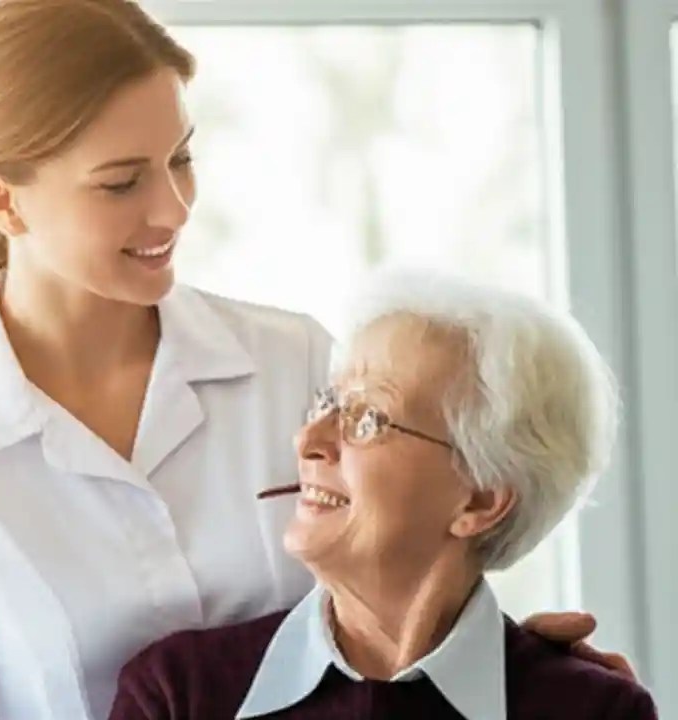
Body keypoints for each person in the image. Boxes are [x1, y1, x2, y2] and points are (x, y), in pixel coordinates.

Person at [0, 2, 627, 718]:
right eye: (120, 183)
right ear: (1, 198)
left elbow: (391, 597)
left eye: (181, 159)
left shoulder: (297, 366)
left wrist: (521, 670)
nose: (172, 208)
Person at [108, 272, 657, 719]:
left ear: (480, 502)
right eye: (326, 403)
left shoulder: (594, 710)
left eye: (366, 418)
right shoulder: (177, 696)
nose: (308, 440)